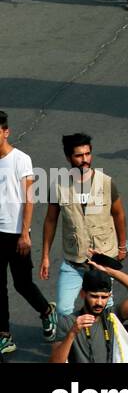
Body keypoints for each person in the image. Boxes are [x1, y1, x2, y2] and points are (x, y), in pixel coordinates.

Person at [39, 133, 128, 319]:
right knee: (64, 310)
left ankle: (101, 344)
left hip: (103, 260)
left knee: (105, 310)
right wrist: (45, 257)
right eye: (79, 156)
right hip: (74, 261)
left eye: (87, 154)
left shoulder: (106, 182)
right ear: (68, 157)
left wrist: (122, 246)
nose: (84, 160)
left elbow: (119, 214)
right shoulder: (58, 185)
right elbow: (50, 220)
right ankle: (76, 340)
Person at [1, 112, 56, 354]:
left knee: (22, 283)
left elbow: (28, 199)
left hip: (16, 234)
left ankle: (46, 311)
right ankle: (4, 334)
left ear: (6, 132)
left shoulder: (20, 159)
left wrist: (24, 234)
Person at [49, 260, 128, 363]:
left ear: (109, 296)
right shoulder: (67, 322)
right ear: (83, 294)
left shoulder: (112, 316)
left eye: (104, 297)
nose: (99, 302)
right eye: (94, 296)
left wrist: (111, 272)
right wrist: (72, 333)